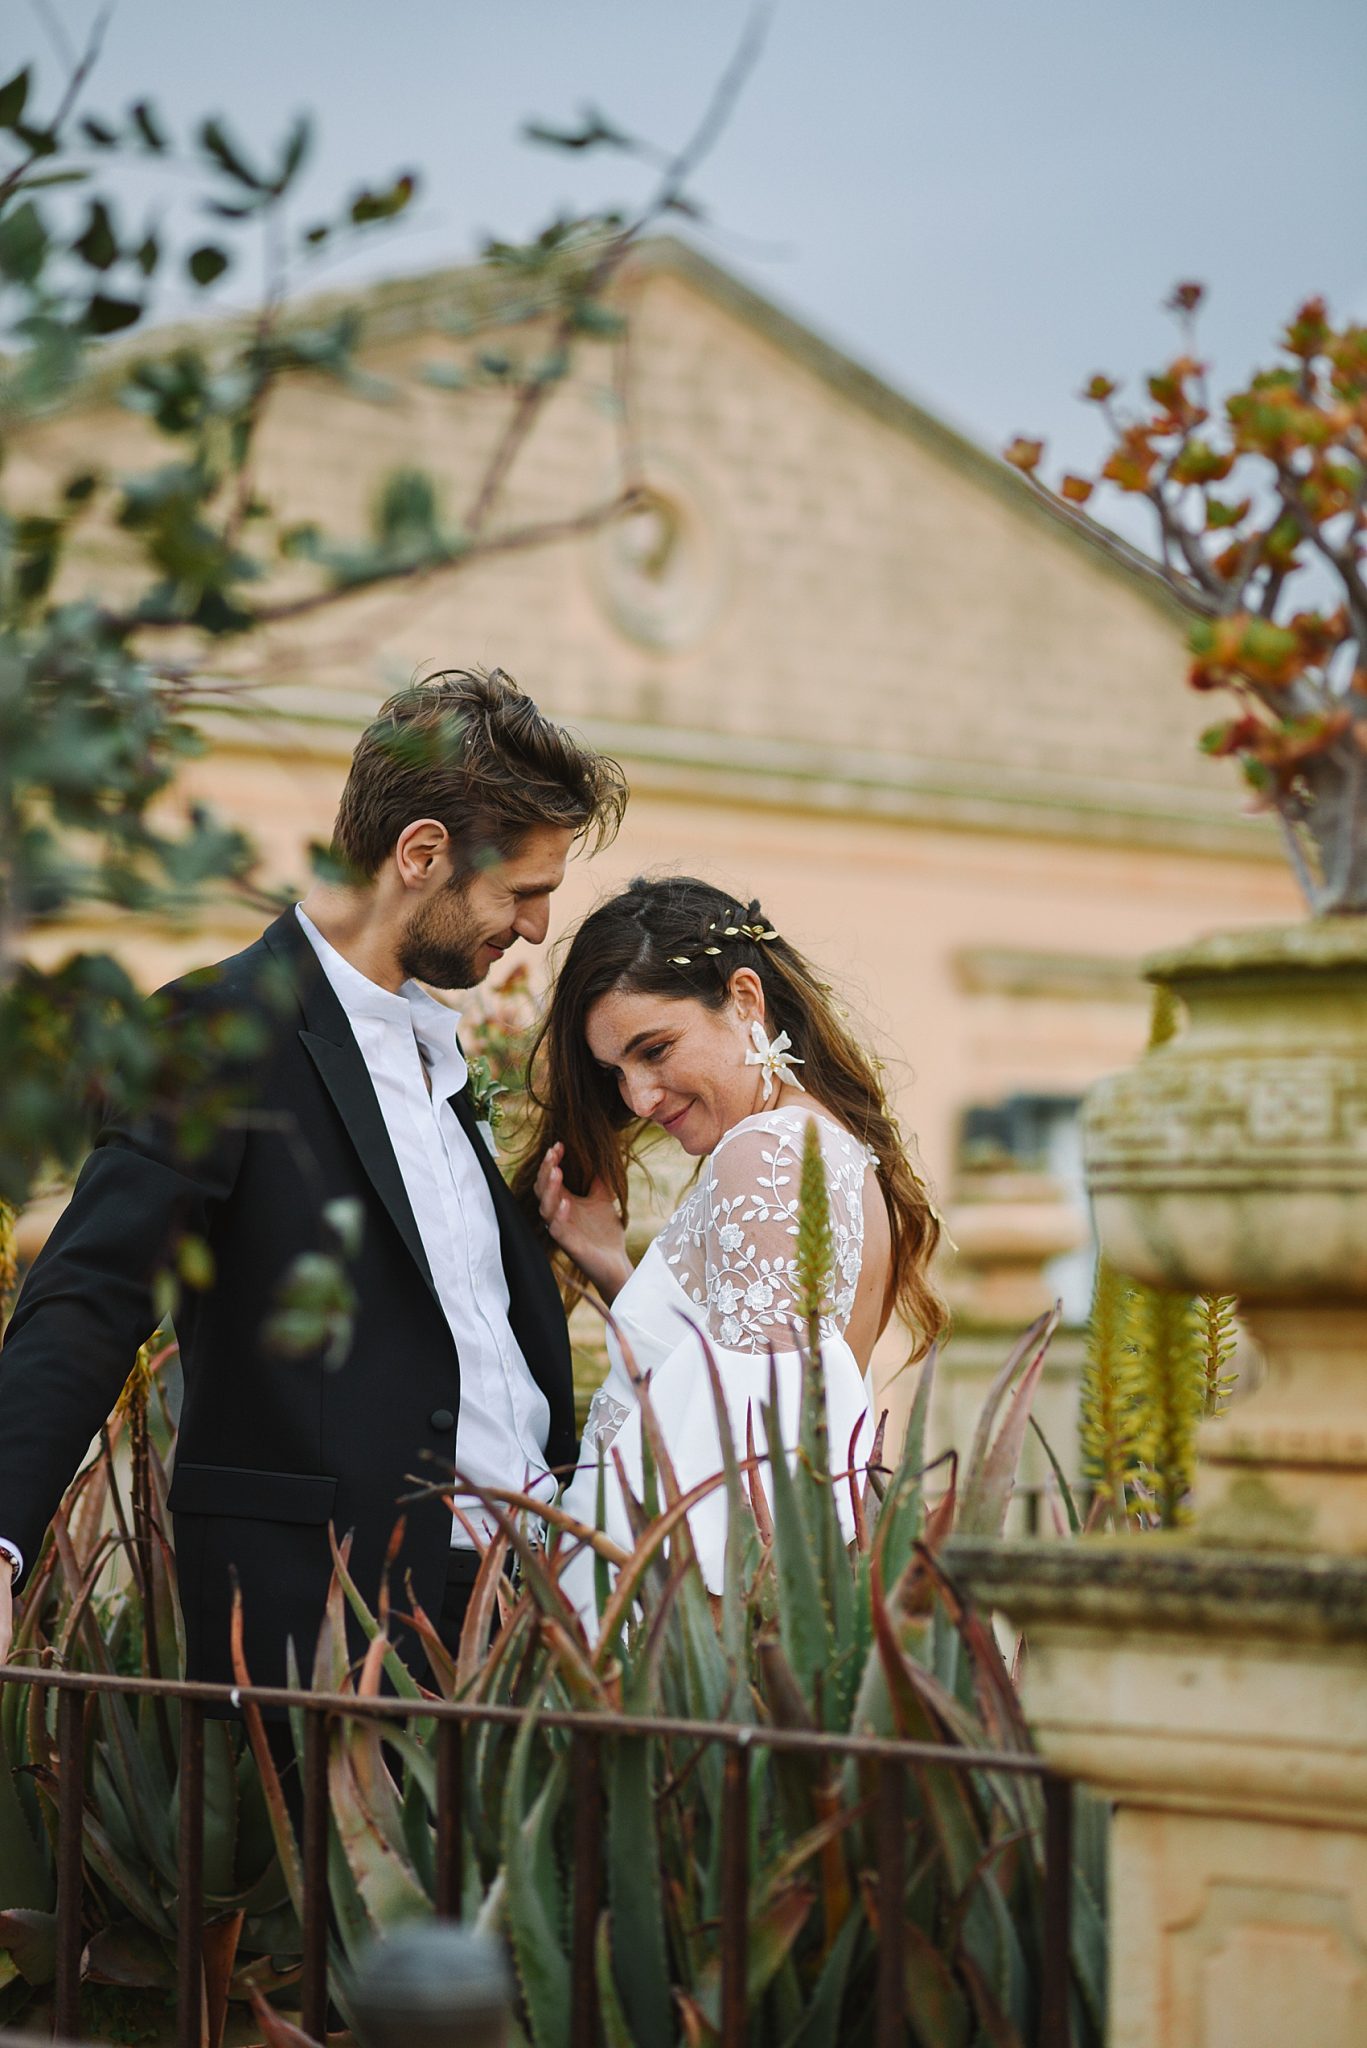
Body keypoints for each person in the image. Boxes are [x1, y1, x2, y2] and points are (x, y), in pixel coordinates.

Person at [0, 668, 627, 1695]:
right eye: (522, 891)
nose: (535, 929)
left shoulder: (438, 1051)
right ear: (421, 854)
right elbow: (90, 1293)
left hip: (523, 1618)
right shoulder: (218, 1029)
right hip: (332, 1632)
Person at [518, 875, 946, 1624]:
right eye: (616, 1072)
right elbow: (723, 1383)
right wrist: (612, 1264)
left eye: (655, 1049)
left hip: (690, 1655)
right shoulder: (817, 1144)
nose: (639, 1098)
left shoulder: (767, 1154)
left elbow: (756, 1479)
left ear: (745, 999)